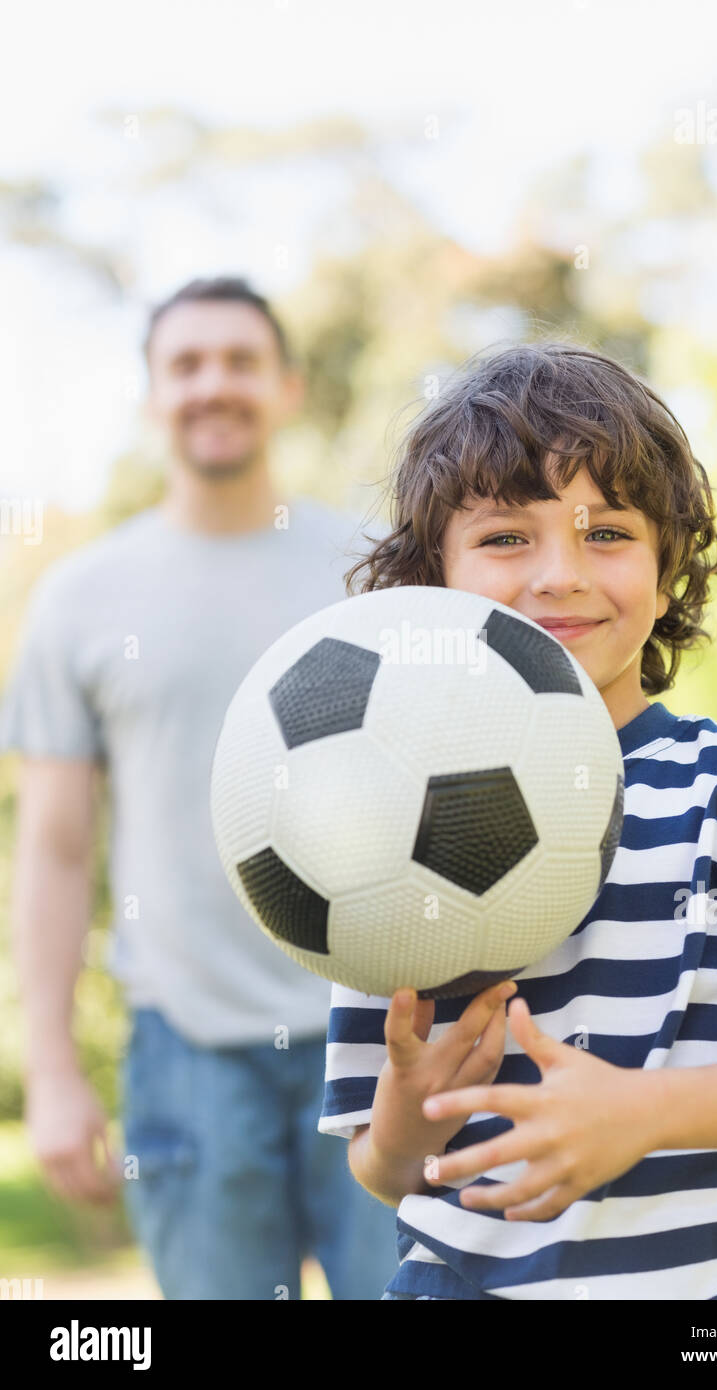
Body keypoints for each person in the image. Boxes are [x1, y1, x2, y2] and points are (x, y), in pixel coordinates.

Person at [317, 341, 717, 1300]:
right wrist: (411, 1111)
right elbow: (382, 1168)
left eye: (606, 532)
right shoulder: (381, 819)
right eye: (504, 538)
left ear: (668, 569)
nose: (559, 574)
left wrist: (643, 1112)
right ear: (433, 578)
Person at [1, 276, 398, 1300]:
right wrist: (49, 1067)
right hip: (185, 1054)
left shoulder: (373, 572)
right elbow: (51, 845)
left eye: (237, 361)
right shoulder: (82, 597)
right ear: (150, 396)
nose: (211, 384)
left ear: (287, 388)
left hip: (380, 1036)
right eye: (185, 364)